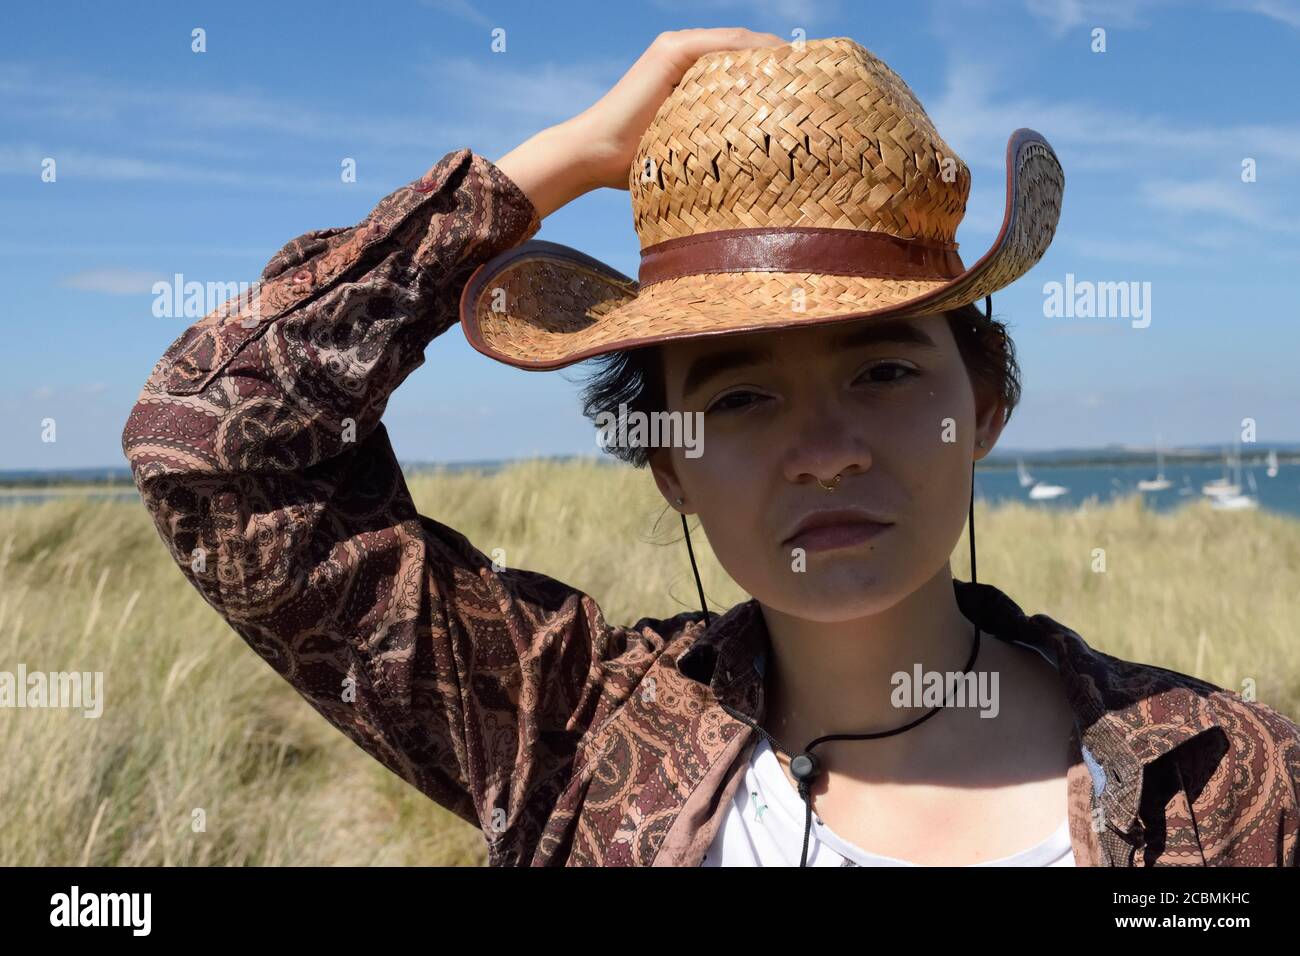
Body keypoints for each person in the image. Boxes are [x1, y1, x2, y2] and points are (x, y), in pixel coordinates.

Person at [121, 29, 1300, 867]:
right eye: (738, 399)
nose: (824, 451)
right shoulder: (567, 728)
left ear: (982, 404)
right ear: (667, 461)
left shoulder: (1228, 782)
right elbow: (215, 449)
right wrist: (557, 163)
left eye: (884, 369)